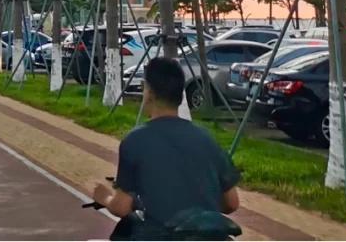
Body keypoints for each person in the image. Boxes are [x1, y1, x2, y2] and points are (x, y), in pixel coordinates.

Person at [92, 57, 241, 240]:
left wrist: (105, 198)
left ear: (150, 93)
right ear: (180, 95)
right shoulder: (207, 138)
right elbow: (232, 203)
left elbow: (122, 207)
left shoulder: (135, 140)